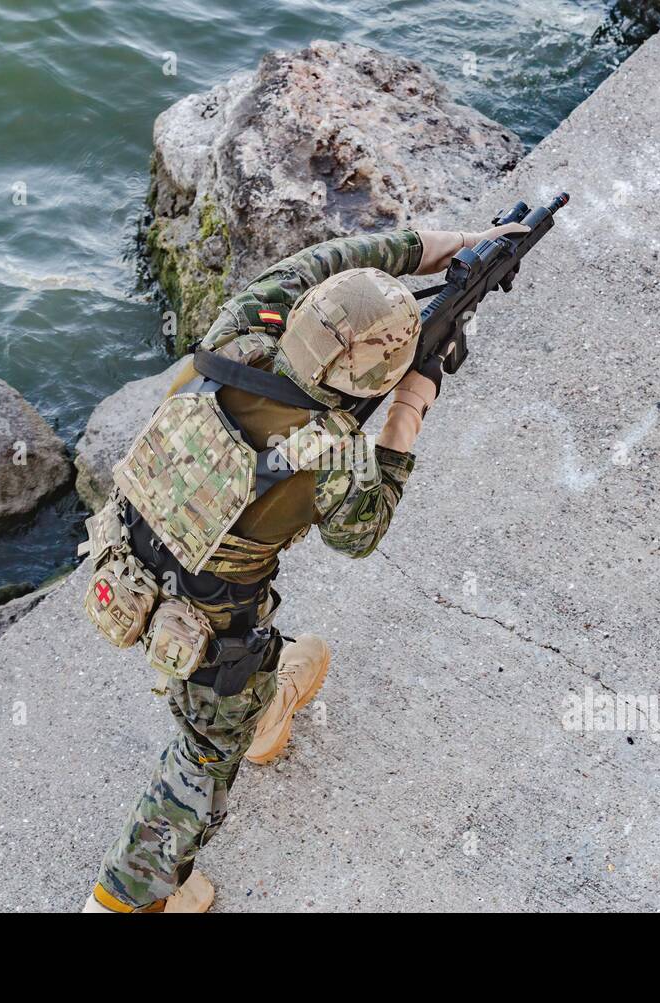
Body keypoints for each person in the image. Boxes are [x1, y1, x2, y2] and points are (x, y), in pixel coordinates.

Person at [83, 220, 527, 913]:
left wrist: (446, 245)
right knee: (203, 757)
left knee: (254, 679)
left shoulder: (247, 323)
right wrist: (411, 403)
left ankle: (265, 712)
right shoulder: (334, 451)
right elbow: (360, 532)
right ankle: (127, 897)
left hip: (128, 544)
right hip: (207, 623)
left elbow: (334, 255)